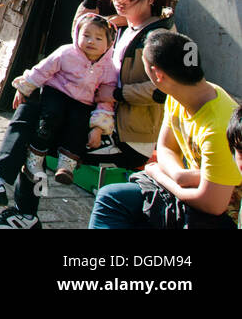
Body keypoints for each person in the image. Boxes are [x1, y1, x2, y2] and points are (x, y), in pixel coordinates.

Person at [0, 0, 177, 229]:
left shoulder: (158, 38)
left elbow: (162, 89)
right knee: (33, 112)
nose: (119, 1)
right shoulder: (124, 26)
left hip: (126, 136)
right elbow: (81, 40)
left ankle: (12, 200)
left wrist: (114, 93)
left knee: (34, 136)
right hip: (101, 116)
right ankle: (5, 192)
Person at [89, 30, 242, 228]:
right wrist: (181, 176)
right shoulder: (179, 95)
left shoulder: (218, 126)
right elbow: (166, 148)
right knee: (112, 197)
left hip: (216, 216)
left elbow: (213, 205)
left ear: (158, 74)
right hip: (189, 190)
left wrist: (162, 176)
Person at [15, 13, 120, 186]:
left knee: (78, 127)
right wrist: (24, 88)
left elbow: (105, 100)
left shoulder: (109, 68)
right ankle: (35, 159)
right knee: (49, 119)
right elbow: (42, 70)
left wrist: (99, 128)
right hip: (57, 92)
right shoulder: (66, 53)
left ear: (109, 44)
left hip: (83, 103)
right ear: (77, 34)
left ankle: (66, 165)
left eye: (98, 38)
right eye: (86, 35)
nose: (91, 41)